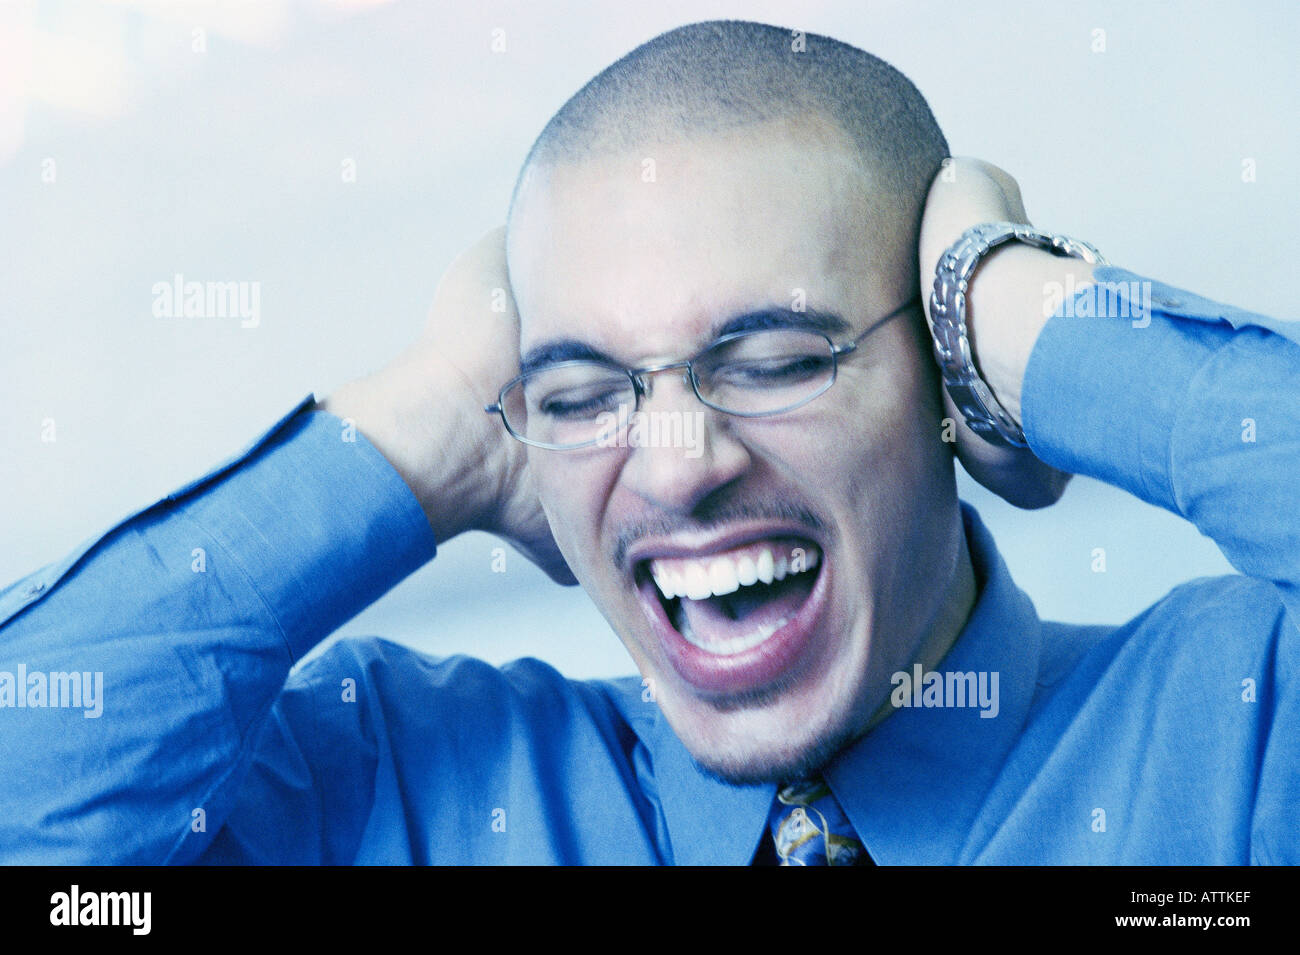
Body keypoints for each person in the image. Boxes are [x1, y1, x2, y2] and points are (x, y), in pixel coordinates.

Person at [1, 20, 1295, 865]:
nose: (678, 463)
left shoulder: (1239, 727)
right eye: (581, 395)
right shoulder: (390, 785)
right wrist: (430, 426)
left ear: (944, 383)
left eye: (776, 361)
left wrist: (1024, 316)